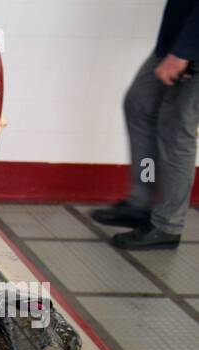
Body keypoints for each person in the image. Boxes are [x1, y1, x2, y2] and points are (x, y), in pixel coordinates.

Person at [93, 0, 199, 250]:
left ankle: (167, 225)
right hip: (177, 36)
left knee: (176, 128)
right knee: (140, 105)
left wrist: (185, 52)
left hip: (190, 45)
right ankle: (143, 201)